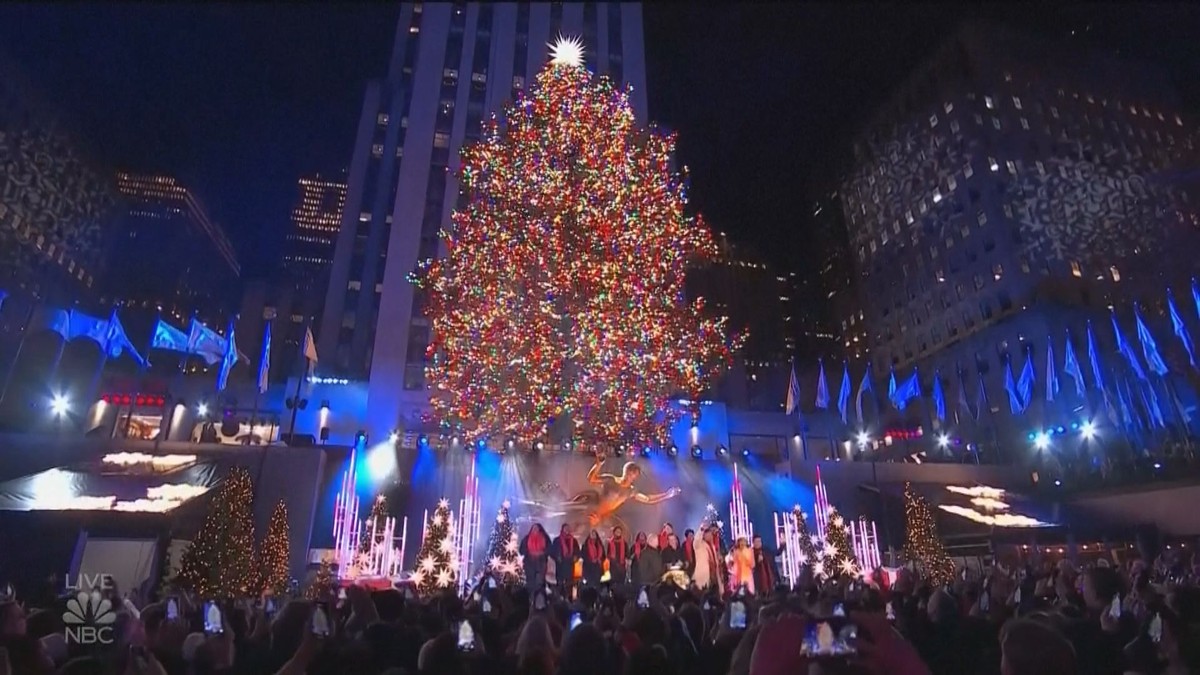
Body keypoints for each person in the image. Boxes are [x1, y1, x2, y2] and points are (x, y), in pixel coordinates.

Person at [520, 523, 552, 591]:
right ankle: (530, 597)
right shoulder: (526, 538)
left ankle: (540, 597)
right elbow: (521, 550)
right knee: (530, 581)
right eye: (534, 528)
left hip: (541, 562)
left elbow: (550, 548)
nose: (535, 529)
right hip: (529, 562)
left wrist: (542, 552)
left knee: (540, 581)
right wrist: (529, 552)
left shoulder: (545, 538)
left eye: (537, 528)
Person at [693, 528, 724, 595]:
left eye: (711, 534)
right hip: (704, 575)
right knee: (703, 595)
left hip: (714, 576)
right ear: (704, 535)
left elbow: (714, 561)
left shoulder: (712, 546)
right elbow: (696, 539)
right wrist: (701, 529)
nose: (710, 536)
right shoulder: (699, 545)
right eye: (708, 534)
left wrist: (719, 560)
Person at [552, 524, 581, 596]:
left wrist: (576, 557)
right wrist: (557, 557)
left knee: (570, 584)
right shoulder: (557, 540)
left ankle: (569, 599)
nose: (567, 530)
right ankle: (560, 599)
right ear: (562, 529)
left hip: (570, 564)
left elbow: (577, 551)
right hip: (560, 565)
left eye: (568, 528)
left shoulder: (573, 541)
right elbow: (552, 551)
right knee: (560, 584)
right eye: (565, 528)